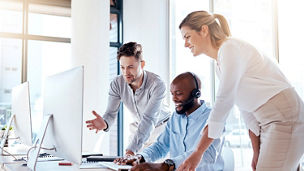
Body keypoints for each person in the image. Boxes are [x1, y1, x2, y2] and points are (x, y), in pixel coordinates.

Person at [177, 10, 304, 171]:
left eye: (187, 36)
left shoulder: (230, 48)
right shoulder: (220, 64)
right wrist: (256, 151)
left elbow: (223, 103)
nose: (185, 44)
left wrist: (198, 152)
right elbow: (247, 111)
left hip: (285, 118)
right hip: (271, 122)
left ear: (203, 30)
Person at [114, 72, 224, 171]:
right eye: (172, 94)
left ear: (196, 94)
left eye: (179, 93)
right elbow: (161, 146)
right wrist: (140, 157)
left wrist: (166, 165)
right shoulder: (176, 117)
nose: (174, 99)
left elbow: (207, 154)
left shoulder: (213, 118)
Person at [86, 42, 170, 155]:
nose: (126, 72)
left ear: (142, 64)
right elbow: (110, 114)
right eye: (122, 67)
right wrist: (105, 123)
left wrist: (131, 150)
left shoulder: (157, 84)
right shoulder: (117, 83)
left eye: (130, 67)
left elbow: (149, 119)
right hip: (138, 128)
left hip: (161, 130)